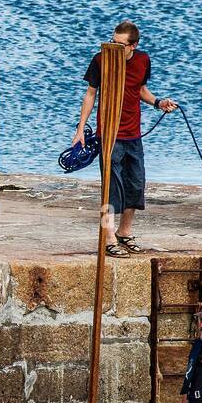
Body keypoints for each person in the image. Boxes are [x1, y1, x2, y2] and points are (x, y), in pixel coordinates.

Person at [72, 20, 177, 257]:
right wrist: (80, 129)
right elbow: (90, 95)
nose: (114, 47)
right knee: (110, 187)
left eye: (119, 44)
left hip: (133, 133)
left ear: (133, 46)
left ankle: (124, 232)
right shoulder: (101, 59)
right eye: (112, 42)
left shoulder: (142, 60)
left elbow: (139, 90)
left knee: (136, 183)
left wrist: (159, 103)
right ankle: (108, 237)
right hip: (109, 133)